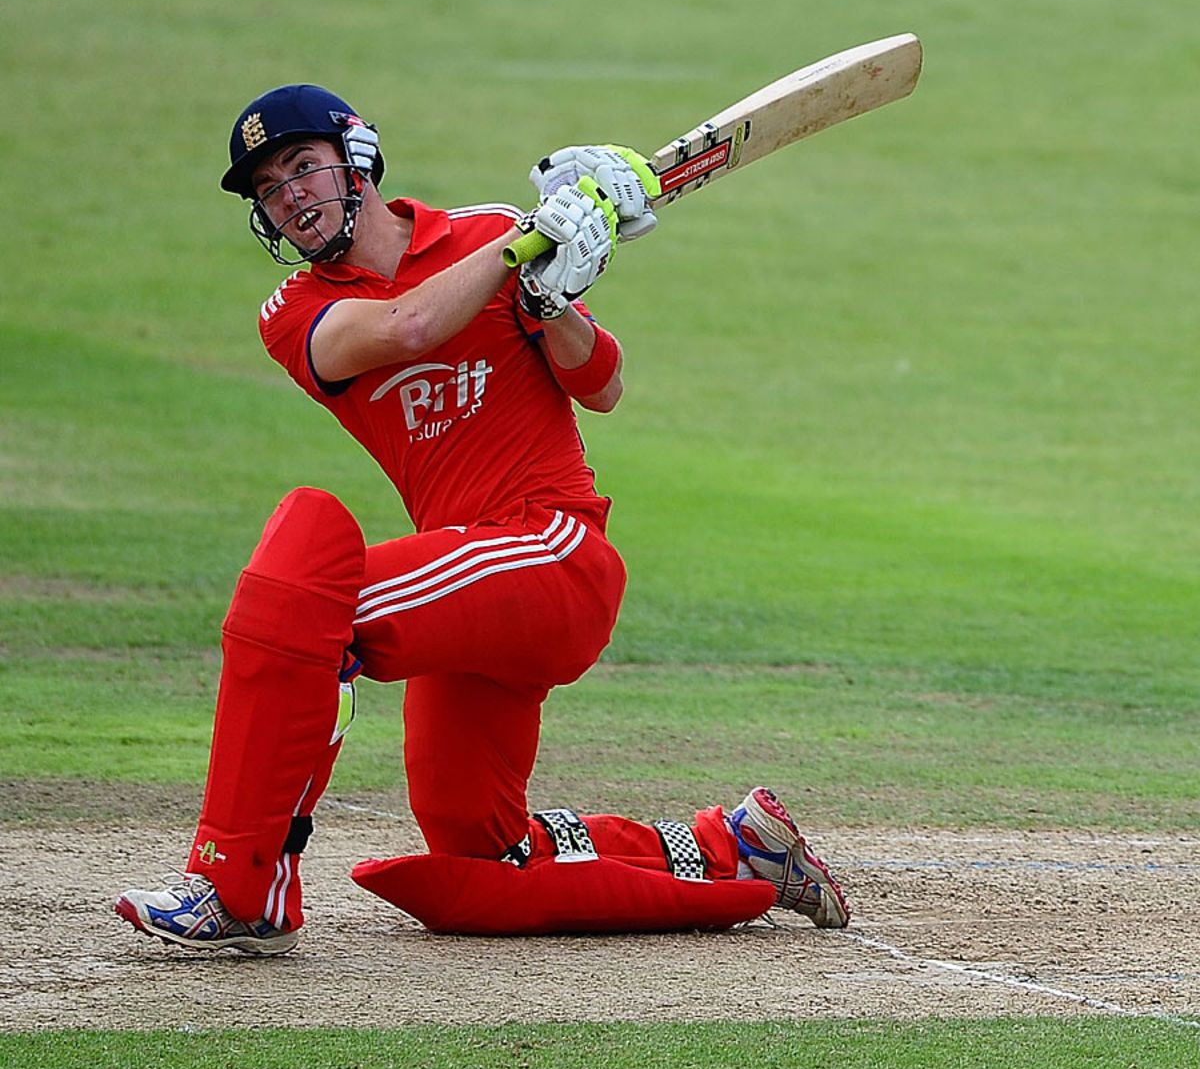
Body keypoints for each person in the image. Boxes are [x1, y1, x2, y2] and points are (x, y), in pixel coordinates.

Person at [114, 85, 850, 952]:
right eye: (269, 189)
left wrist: (549, 302)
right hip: (467, 590)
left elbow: (603, 385)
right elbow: (408, 326)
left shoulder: (484, 233)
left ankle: (238, 889)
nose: (291, 196)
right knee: (478, 843)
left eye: (302, 166)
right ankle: (739, 847)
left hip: (552, 549)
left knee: (308, 610)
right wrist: (530, 242)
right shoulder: (296, 312)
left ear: (357, 157)